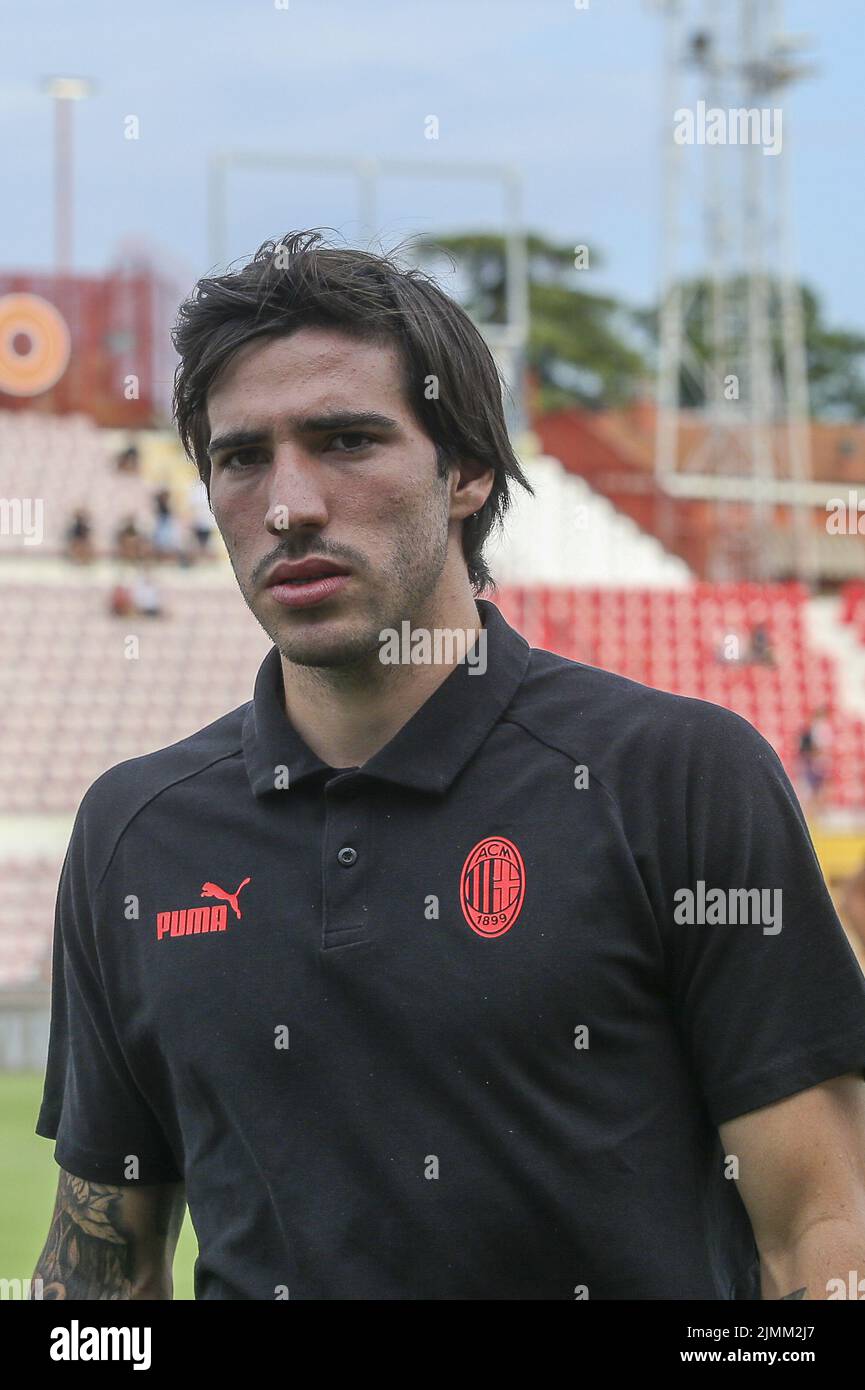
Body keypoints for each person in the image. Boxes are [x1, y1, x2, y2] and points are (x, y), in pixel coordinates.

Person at [33, 231, 865, 1302]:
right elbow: (103, 1279)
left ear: (466, 470)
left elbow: (820, 1244)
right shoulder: (135, 833)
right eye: (242, 457)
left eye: (344, 440)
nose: (288, 503)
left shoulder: (679, 777)